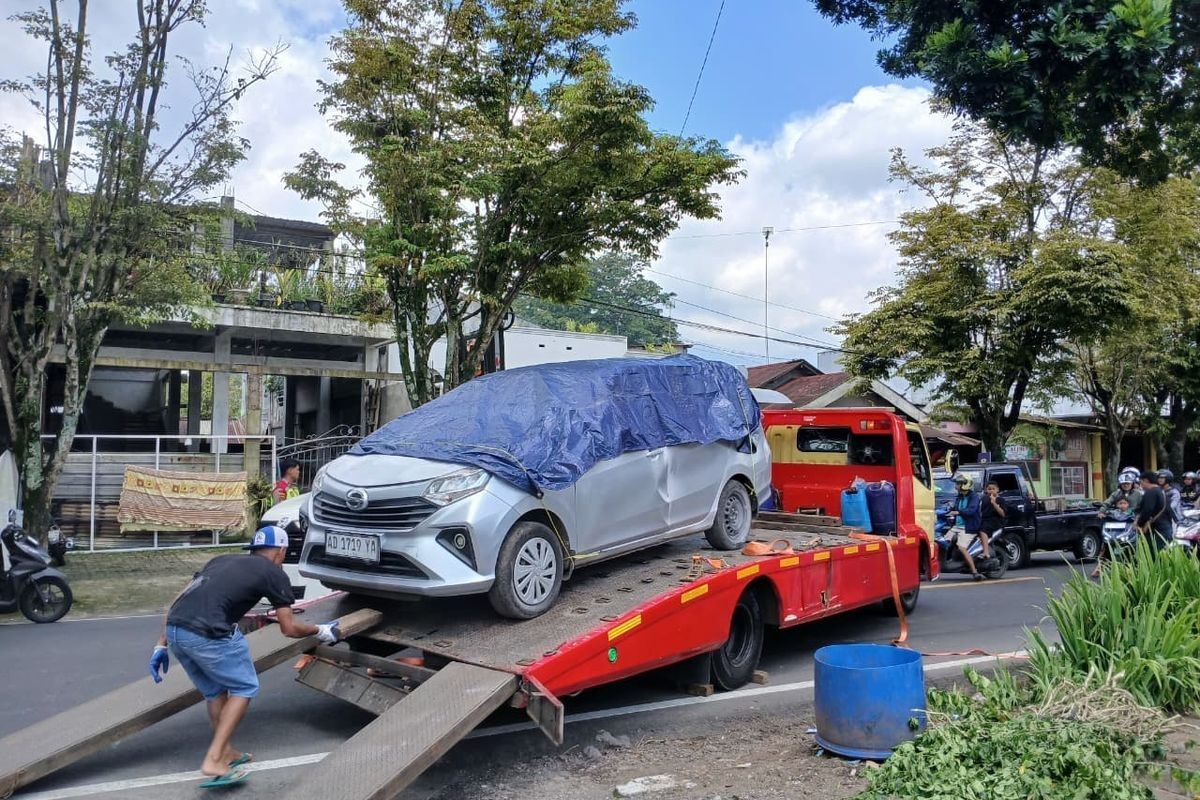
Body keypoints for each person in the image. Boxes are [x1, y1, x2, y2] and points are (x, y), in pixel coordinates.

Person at [147, 526, 341, 787]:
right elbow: (289, 628)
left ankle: (225, 751)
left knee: (215, 691)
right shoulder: (274, 573)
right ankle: (214, 759)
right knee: (244, 686)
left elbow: (179, 598)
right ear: (281, 551)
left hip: (176, 631)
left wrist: (161, 644)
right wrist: (322, 631)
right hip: (207, 633)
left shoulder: (221, 560)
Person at [947, 471, 985, 581]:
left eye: (958, 483)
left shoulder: (974, 497)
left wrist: (958, 512)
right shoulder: (960, 496)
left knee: (962, 548)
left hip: (968, 527)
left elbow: (971, 511)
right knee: (942, 542)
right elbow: (954, 508)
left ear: (965, 484)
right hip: (956, 527)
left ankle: (974, 572)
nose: (956, 486)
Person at [1091, 496, 1135, 578]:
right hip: (1112, 535)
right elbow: (1105, 515)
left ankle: (1131, 570)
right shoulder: (1113, 513)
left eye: (1124, 503)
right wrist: (1102, 514)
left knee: (1132, 550)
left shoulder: (1132, 513)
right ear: (1116, 505)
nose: (1122, 505)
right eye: (1120, 503)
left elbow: (1138, 517)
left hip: (1127, 536)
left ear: (1128, 504)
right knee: (1104, 550)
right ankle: (1099, 568)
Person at [1137, 472, 1173, 551]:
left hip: (1156, 529)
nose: (1140, 485)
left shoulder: (1151, 492)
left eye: (1141, 482)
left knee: (1153, 556)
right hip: (1166, 528)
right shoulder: (1161, 491)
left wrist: (1139, 524)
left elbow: (1147, 510)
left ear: (1146, 480)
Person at [979, 480, 1007, 561]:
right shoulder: (984, 499)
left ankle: (986, 552)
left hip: (995, 521)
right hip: (984, 519)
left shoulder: (1000, 500)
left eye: (993, 489)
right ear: (986, 490)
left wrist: (994, 503)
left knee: (982, 530)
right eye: (989, 489)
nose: (991, 491)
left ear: (997, 489)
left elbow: (1003, 514)